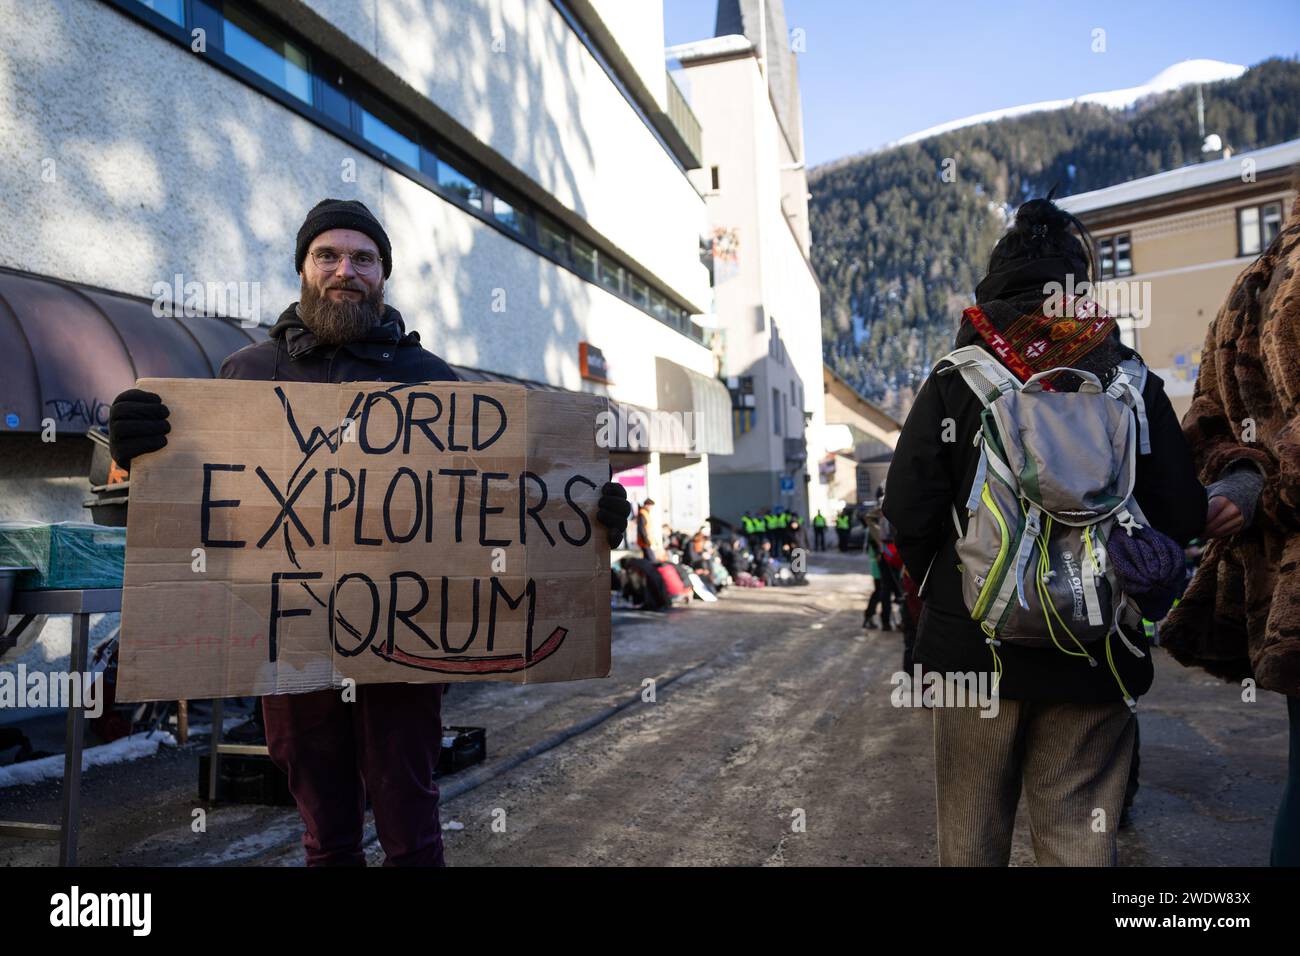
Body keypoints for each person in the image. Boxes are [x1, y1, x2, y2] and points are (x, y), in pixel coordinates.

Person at [107, 198, 631, 867]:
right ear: (303, 268)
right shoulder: (246, 374)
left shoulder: (434, 382)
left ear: (384, 274)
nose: (344, 270)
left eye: (363, 258)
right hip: (290, 642)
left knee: (410, 829)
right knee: (325, 836)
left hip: (405, 646)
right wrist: (133, 454)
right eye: (328, 255)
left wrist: (586, 516)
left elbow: (498, 508)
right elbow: (194, 502)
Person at [883, 196, 1205, 867]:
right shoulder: (1128, 378)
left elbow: (908, 510)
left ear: (995, 286)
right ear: (1077, 290)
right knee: (1077, 843)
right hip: (1096, 650)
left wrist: (952, 588)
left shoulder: (957, 379)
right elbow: (1180, 514)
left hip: (975, 652)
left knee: (970, 840)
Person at [1160, 190, 1300, 866]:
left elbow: (1205, 421)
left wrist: (1245, 480)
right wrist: (1263, 481)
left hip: (1280, 590)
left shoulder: (1249, 284)